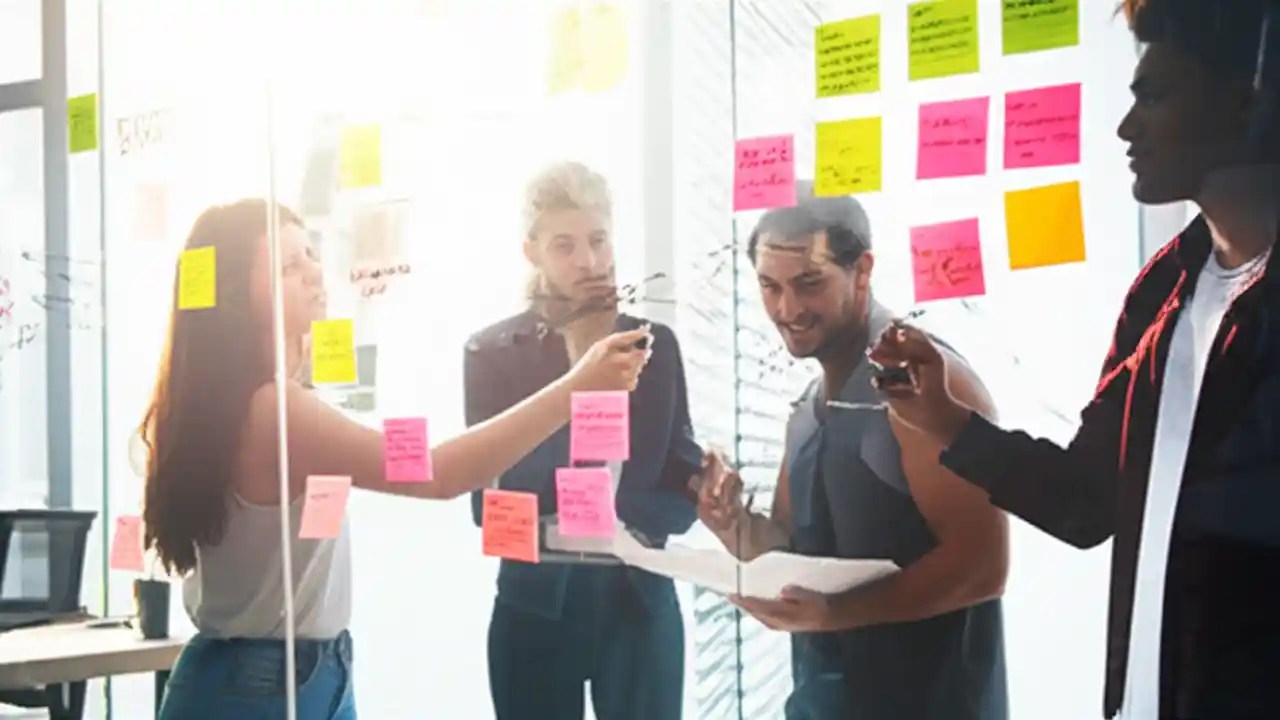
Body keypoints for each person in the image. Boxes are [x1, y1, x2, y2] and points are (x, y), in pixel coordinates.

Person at [868, 1, 1280, 717]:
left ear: (1244, 102)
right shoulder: (1162, 290)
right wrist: (946, 422)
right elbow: (1090, 504)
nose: (1125, 128)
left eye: (1154, 96)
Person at [142, 199, 651, 720]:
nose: (315, 273)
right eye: (288, 266)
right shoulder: (273, 408)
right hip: (265, 684)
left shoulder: (250, 400)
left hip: (305, 671)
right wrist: (576, 387)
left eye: (311, 255)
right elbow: (438, 473)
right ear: (235, 296)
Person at [696, 188, 1009, 720]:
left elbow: (983, 566)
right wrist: (731, 524)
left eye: (809, 284)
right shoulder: (806, 409)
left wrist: (835, 613)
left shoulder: (924, 383)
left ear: (862, 270)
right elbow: (789, 550)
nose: (786, 309)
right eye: (770, 287)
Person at [463, 162, 704, 720]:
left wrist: (699, 492)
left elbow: (677, 477)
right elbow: (487, 504)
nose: (588, 261)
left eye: (597, 241)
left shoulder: (654, 344)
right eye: (565, 246)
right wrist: (579, 367)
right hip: (535, 605)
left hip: (639, 601)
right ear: (534, 253)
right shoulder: (493, 353)